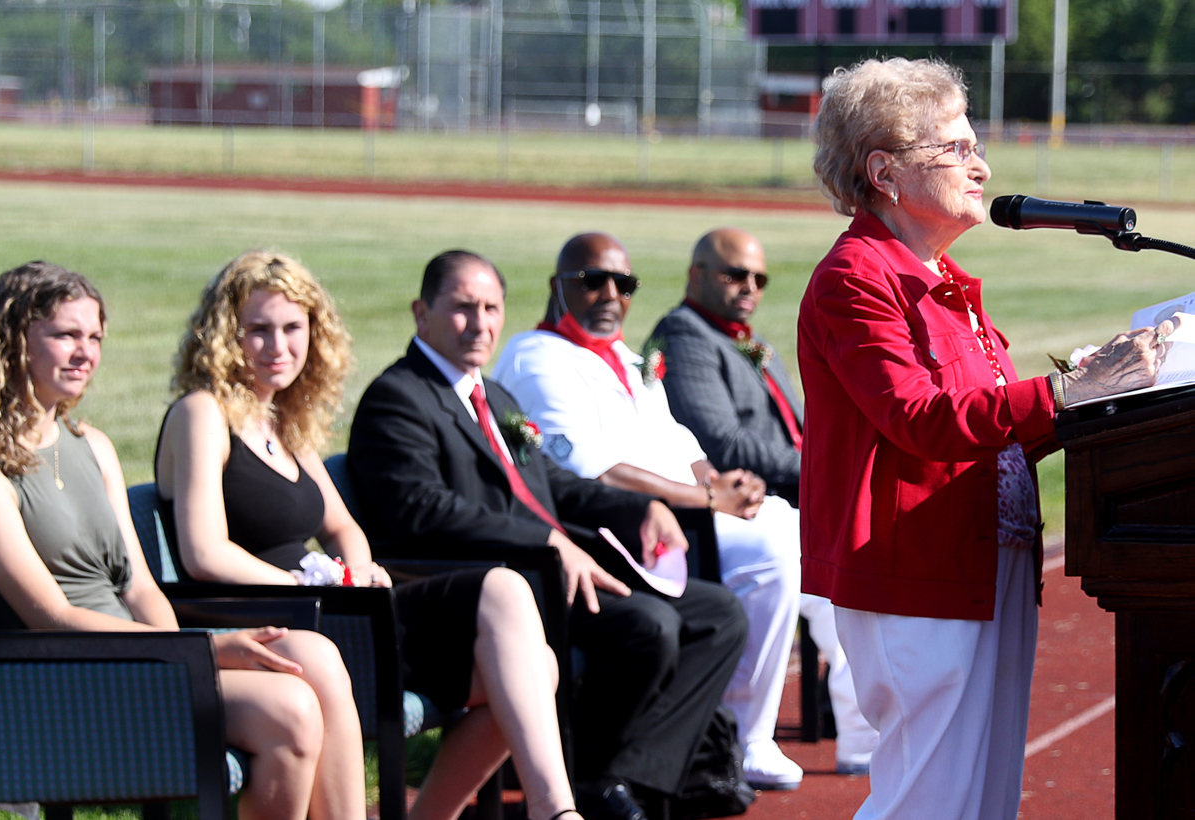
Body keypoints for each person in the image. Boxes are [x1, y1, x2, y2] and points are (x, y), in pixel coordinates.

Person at [800, 57, 1165, 820]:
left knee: (980, 804)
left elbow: (1000, 434)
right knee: (930, 802)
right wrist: (1070, 390)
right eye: (956, 149)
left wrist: (1106, 400)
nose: (982, 166)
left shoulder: (948, 284)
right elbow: (921, 421)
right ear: (885, 170)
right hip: (918, 569)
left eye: (975, 146)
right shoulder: (857, 279)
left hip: (987, 562)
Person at [154, 249, 580, 820]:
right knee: (512, 638)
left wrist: (355, 569)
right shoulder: (202, 413)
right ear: (224, 337)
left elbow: (342, 526)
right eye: (257, 331)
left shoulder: (282, 418)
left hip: (333, 608)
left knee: (524, 633)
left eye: (291, 328)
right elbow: (203, 553)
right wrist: (311, 583)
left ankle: (553, 812)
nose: (277, 347)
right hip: (268, 619)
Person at [0, 261, 364, 820]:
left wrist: (181, 654)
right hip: (59, 679)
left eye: (94, 337)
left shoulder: (92, 444)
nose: (85, 352)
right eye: (65, 335)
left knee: (314, 655)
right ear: (14, 339)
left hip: (137, 657)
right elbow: (53, 618)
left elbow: (138, 585)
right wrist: (200, 653)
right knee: (290, 711)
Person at [346, 249, 748, 820]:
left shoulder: (494, 398)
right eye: (462, 308)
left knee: (719, 615)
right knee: (649, 627)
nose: (480, 324)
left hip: (552, 572)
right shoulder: (399, 399)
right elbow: (420, 512)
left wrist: (642, 509)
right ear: (421, 313)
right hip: (487, 590)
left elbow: (551, 484)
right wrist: (546, 543)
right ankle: (591, 780)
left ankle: (623, 778)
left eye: (490, 308)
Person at [490, 231, 811, 790]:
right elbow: (597, 472)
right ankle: (745, 734)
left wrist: (720, 482)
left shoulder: (627, 357)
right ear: (558, 287)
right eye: (593, 280)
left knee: (807, 532)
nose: (611, 293)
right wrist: (713, 500)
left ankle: (860, 721)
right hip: (613, 527)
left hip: (679, 513)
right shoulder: (536, 355)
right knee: (772, 549)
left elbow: (681, 444)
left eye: (625, 283)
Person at [650, 227, 878, 777]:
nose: (748, 287)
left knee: (855, 567)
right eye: (733, 275)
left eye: (758, 278)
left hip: (788, 499)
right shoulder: (684, 338)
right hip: (729, 507)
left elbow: (804, 427)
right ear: (696, 275)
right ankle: (745, 735)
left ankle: (864, 732)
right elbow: (721, 441)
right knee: (807, 556)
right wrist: (823, 471)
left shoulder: (743, 339)